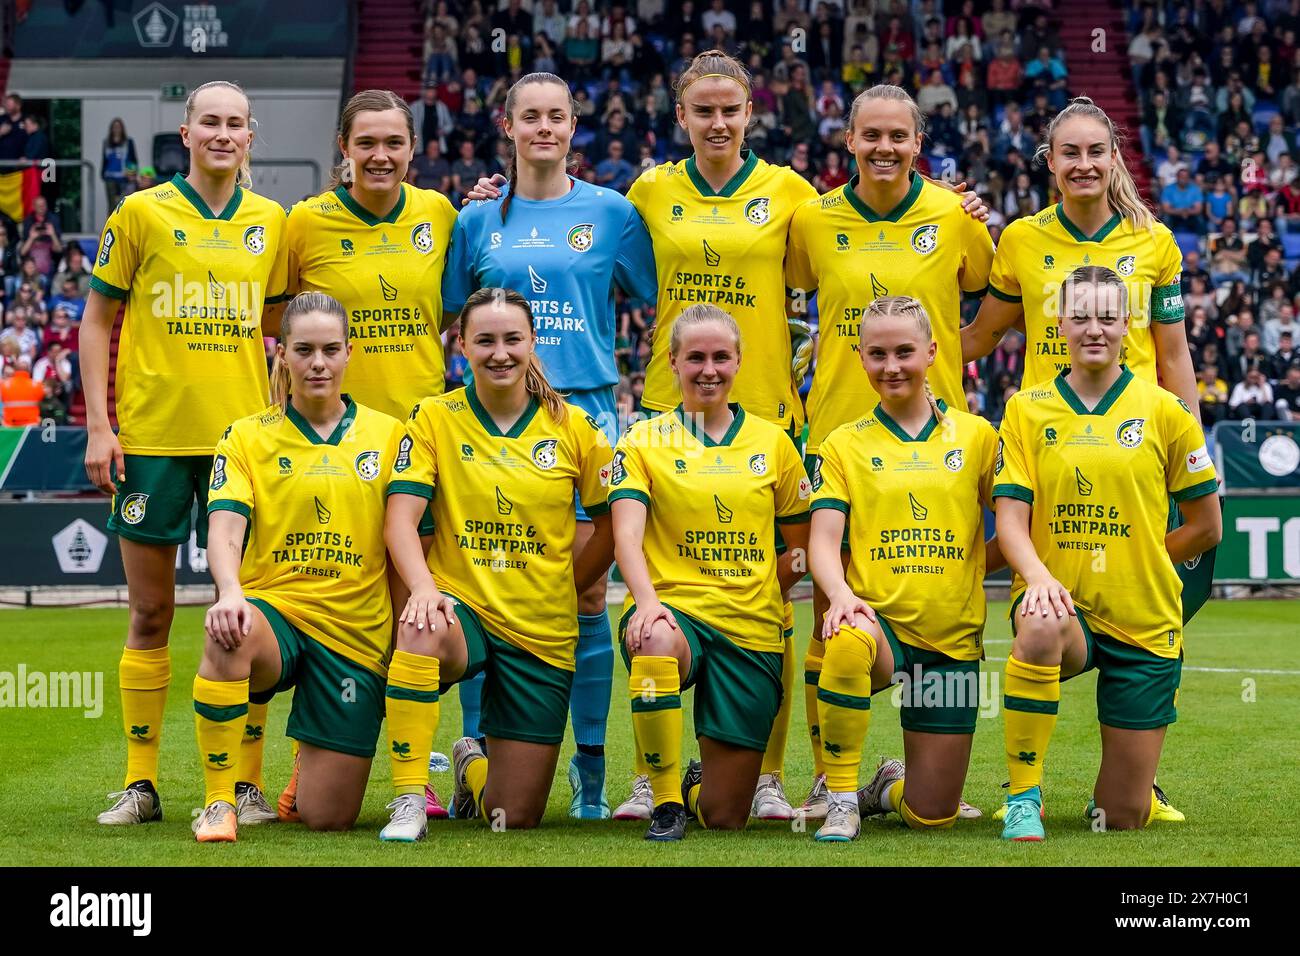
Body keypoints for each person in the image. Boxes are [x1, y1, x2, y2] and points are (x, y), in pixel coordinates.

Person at [464, 51, 988, 822]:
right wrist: (495, 193)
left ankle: (775, 774)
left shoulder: (794, 197)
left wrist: (952, 207)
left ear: (751, 115)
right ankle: (655, 776)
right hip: (668, 415)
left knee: (776, 591)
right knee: (669, 590)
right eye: (701, 110)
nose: (716, 122)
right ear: (681, 117)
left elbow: (874, 270)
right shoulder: (647, 192)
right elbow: (594, 248)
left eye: (730, 110)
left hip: (771, 417)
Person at [441, 72, 657, 818]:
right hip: (493, 417)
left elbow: (661, 291)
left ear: (573, 125)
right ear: (507, 126)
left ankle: (591, 772)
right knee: (483, 584)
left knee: (590, 593)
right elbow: (451, 314)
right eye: (529, 116)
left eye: (556, 116)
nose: (543, 127)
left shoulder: (613, 212)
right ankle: (477, 756)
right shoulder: (475, 220)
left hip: (587, 414)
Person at [784, 82, 994, 820]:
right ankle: (827, 777)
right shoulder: (810, 219)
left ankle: (924, 778)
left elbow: (996, 301)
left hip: (940, 441)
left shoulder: (954, 214)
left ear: (917, 143)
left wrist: (953, 355)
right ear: (848, 140)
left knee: (946, 584)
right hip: (840, 434)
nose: (883, 148)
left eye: (897, 136)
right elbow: (780, 287)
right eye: (869, 135)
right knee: (832, 612)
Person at [83, 80, 289, 826]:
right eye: (211, 122)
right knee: (151, 613)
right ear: (187, 130)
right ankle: (141, 784)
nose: (224, 134)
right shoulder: (140, 212)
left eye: (237, 123)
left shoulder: (272, 222)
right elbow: (96, 320)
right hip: (154, 442)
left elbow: (280, 333)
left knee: (251, 614)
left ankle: (245, 784)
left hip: (244, 447)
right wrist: (101, 427)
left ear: (251, 134)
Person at [992, 265, 1221, 841]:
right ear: (1060, 323)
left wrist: (1139, 556)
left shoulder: (1166, 411)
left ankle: (1123, 793)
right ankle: (1023, 796)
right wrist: (1039, 578)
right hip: (1064, 606)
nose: (1094, 328)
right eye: (1081, 315)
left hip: (1144, 618)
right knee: (1041, 623)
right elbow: (1011, 521)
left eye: (1106, 315)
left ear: (1129, 323)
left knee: (1120, 818)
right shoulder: (1026, 409)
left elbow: (1206, 526)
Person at [280, 88, 458, 819]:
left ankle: (417, 780)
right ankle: (290, 776)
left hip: (417, 445)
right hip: (330, 444)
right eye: (367, 143)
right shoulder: (304, 223)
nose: (381, 155)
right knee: (324, 607)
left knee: (413, 617)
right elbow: (282, 321)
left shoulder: (439, 215)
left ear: (412, 150)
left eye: (395, 143)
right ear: (343, 151)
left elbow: (451, 312)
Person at [384, 287, 614, 835]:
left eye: (513, 339)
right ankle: (410, 797)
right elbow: (399, 519)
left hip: (539, 628)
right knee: (419, 627)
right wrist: (421, 588)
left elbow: (614, 524)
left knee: (514, 816)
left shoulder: (574, 427)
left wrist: (570, 584)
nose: (500, 353)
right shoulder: (434, 417)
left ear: (533, 342)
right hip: (459, 608)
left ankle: (473, 765)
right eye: (484, 340)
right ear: (460, 344)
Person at [193, 292, 409, 842]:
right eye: (304, 350)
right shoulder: (246, 435)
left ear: (349, 354)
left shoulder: (390, 436)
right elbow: (224, 528)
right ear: (282, 354)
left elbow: (407, 540)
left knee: (328, 819)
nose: (318, 363)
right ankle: (220, 802)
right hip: (277, 616)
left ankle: (301, 777)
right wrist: (229, 591)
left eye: (330, 350)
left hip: (355, 634)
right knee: (227, 634)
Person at [609, 304, 811, 840]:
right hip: (674, 613)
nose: (708, 369)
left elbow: (802, 550)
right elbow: (626, 535)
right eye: (694, 357)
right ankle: (667, 800)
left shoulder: (774, 444)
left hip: (751, 629)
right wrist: (647, 602)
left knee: (725, 817)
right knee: (653, 640)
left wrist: (769, 586)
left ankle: (698, 788)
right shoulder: (642, 440)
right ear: (671, 363)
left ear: (739, 361)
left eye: (721, 356)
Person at [807, 295, 1000, 840]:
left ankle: (884, 789)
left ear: (933, 352)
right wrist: (841, 594)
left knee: (930, 816)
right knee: (845, 636)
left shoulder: (978, 437)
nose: (891, 366)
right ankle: (842, 797)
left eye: (904, 352)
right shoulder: (843, 444)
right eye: (877, 354)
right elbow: (824, 541)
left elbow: (1013, 524)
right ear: (861, 358)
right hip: (881, 632)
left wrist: (977, 565)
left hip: (951, 643)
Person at [963, 97, 1200, 418]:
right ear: (1050, 160)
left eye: (1096, 151)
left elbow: (1173, 357)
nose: (1084, 164)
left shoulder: (1155, 240)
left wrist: (1195, 452)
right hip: (1046, 430)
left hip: (1134, 431)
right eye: (1071, 153)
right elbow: (980, 336)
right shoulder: (1021, 238)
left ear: (1114, 157)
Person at [102, 118, 138, 212]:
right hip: (110, 177)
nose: (117, 129)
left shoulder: (128, 142)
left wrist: (133, 174)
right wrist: (103, 174)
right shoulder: (106, 143)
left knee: (124, 204)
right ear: (111, 129)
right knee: (111, 205)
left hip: (124, 178)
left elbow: (133, 160)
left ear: (122, 128)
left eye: (118, 127)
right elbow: (105, 160)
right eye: (115, 127)